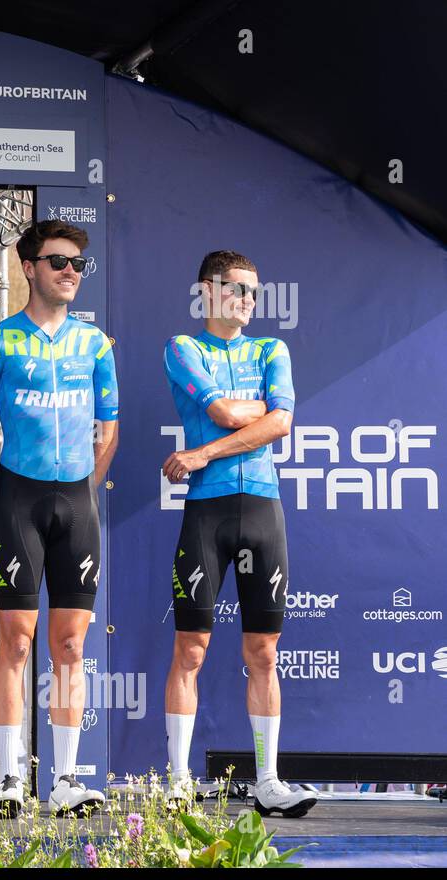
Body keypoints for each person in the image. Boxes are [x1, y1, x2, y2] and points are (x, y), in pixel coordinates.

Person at [0, 219, 119, 817]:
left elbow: (109, 430)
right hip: (18, 503)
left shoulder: (96, 344)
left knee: (71, 646)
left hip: (75, 502)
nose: (71, 272)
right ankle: (8, 777)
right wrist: (2, 504)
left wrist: (84, 489)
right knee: (16, 641)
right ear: (28, 268)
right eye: (58, 261)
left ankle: (65, 781)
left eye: (78, 262)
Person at [161, 250, 314, 817]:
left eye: (254, 292)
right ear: (208, 290)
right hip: (207, 513)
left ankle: (268, 782)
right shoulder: (184, 348)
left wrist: (200, 452)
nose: (248, 300)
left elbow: (284, 421)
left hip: (263, 510)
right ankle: (177, 781)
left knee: (264, 653)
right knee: (191, 649)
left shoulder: (273, 349)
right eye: (237, 289)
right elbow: (229, 411)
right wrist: (260, 413)